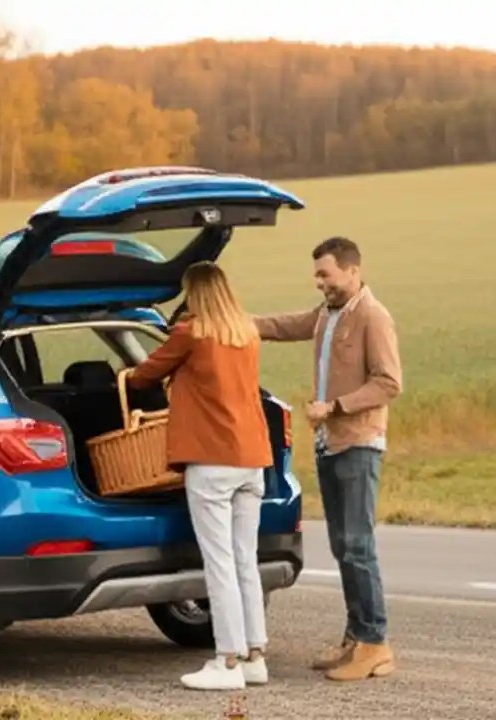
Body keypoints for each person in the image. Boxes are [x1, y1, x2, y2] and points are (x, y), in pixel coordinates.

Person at [253, 236, 402, 682]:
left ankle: (374, 643)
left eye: (326, 274)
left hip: (358, 442)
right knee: (342, 545)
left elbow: (389, 383)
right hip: (329, 444)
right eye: (317, 275)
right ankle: (355, 638)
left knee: (357, 545)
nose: (320, 283)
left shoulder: (373, 316)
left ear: (353, 270)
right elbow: (284, 325)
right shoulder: (327, 314)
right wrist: (238, 322)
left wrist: (335, 407)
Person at [125, 261, 274, 691]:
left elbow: (144, 375)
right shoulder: (245, 334)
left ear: (194, 294)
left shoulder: (191, 333)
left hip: (211, 461)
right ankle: (255, 656)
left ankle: (226, 662)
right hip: (251, 459)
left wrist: (128, 376)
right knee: (245, 560)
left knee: (219, 562)